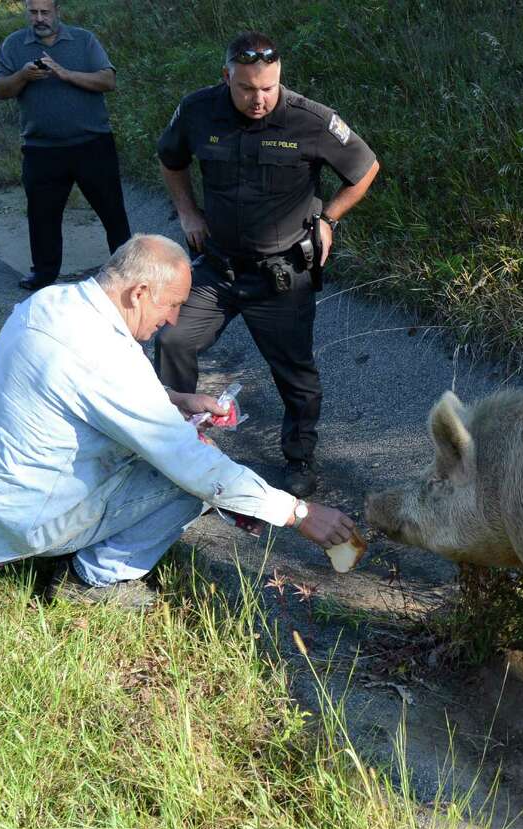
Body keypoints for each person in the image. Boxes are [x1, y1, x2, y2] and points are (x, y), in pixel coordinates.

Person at [0, 235, 357, 609]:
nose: (175, 320)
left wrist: (172, 400)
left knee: (184, 459)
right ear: (139, 292)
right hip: (27, 516)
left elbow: (89, 394)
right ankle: (92, 581)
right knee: (192, 482)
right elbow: (193, 466)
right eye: (174, 304)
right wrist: (298, 513)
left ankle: (73, 546)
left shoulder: (56, 304)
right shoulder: (102, 354)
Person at [154, 31, 380, 499]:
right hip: (217, 269)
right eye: (247, 89)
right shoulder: (198, 110)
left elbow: (365, 168)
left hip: (280, 275)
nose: (259, 99)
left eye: (268, 88)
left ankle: (299, 456)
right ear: (226, 78)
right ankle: (173, 444)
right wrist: (187, 211)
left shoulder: (309, 120)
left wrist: (328, 218)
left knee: (294, 373)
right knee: (174, 338)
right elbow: (170, 158)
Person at [0, 0, 131, 291]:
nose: (39, 19)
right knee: (42, 216)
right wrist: (23, 76)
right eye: (33, 13)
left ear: (58, 12)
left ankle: (128, 271)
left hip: (92, 144)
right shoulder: (13, 45)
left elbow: (108, 80)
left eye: (45, 12)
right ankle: (44, 274)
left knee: (113, 212)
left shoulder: (83, 39)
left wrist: (66, 74)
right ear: (26, 12)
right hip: (41, 149)